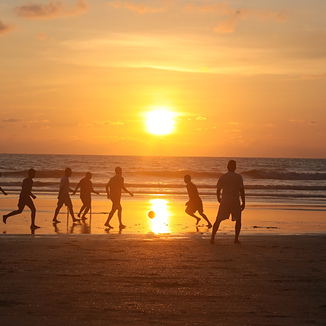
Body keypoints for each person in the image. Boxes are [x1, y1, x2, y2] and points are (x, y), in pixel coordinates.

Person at [210, 160, 245, 244]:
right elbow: (242, 190)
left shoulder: (223, 177)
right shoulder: (238, 177)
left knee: (218, 219)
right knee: (238, 220)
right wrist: (243, 202)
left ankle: (212, 238)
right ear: (235, 167)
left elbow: (218, 189)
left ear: (227, 167)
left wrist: (218, 198)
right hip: (234, 200)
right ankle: (236, 239)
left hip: (225, 200)